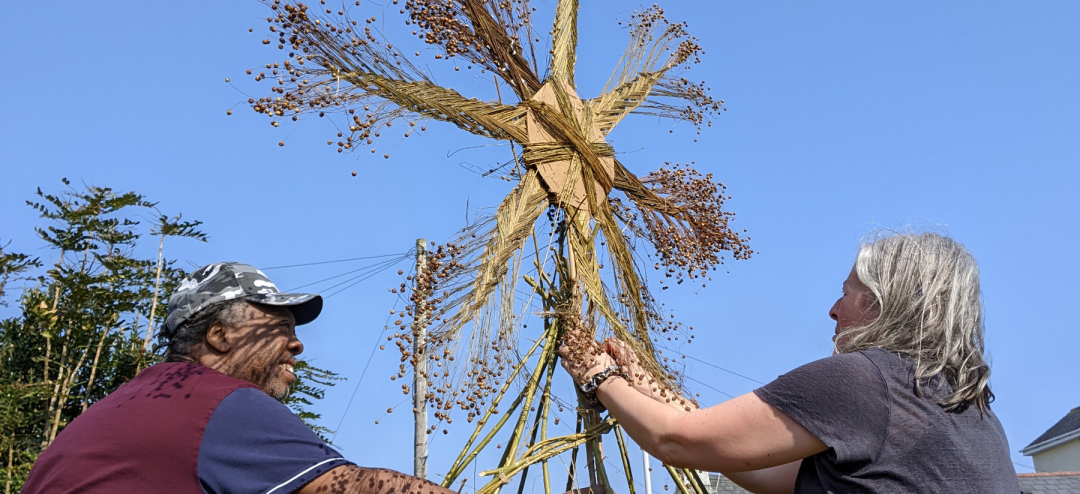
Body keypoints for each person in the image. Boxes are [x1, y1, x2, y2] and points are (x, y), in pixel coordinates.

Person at [559, 232, 1019, 494]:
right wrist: (644, 387)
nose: (834, 310)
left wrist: (598, 375)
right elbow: (747, 462)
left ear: (885, 304)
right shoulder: (968, 413)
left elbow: (675, 441)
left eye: (847, 292)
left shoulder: (864, 381)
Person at [22, 262, 460, 494]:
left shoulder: (121, 405)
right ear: (220, 335)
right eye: (280, 328)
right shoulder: (218, 403)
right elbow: (350, 488)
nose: (297, 344)